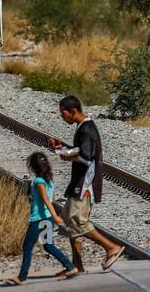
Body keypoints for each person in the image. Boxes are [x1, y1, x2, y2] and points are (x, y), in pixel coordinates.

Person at [50, 95, 124, 277]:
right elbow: (81, 152)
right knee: (69, 218)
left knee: (78, 220)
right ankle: (77, 265)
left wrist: (65, 153)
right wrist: (61, 149)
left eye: (63, 113)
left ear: (73, 111)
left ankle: (111, 247)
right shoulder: (83, 128)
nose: (63, 117)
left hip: (85, 184)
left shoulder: (87, 129)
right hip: (79, 182)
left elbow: (85, 157)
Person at [5, 151, 74, 286]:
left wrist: (56, 216)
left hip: (39, 220)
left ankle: (22, 277)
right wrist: (54, 216)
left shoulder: (38, 181)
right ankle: (71, 267)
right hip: (47, 219)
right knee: (48, 246)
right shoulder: (49, 181)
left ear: (33, 167)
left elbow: (47, 201)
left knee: (27, 246)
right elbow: (52, 200)